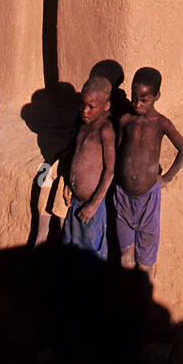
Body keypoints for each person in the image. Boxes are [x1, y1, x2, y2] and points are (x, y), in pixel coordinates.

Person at [113, 68, 183, 283]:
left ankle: (146, 306)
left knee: (145, 261)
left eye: (144, 100)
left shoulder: (161, 123)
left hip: (147, 198)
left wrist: (166, 178)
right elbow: (120, 151)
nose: (137, 104)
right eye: (134, 98)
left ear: (157, 97)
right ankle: (127, 306)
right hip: (122, 197)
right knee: (125, 258)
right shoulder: (125, 120)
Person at [62, 76, 115, 259]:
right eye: (83, 105)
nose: (85, 111)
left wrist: (93, 205)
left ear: (106, 106)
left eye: (91, 107)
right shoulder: (83, 126)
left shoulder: (105, 130)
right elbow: (77, 158)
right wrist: (69, 184)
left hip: (92, 209)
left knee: (91, 259)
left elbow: (109, 171)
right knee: (71, 254)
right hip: (75, 204)